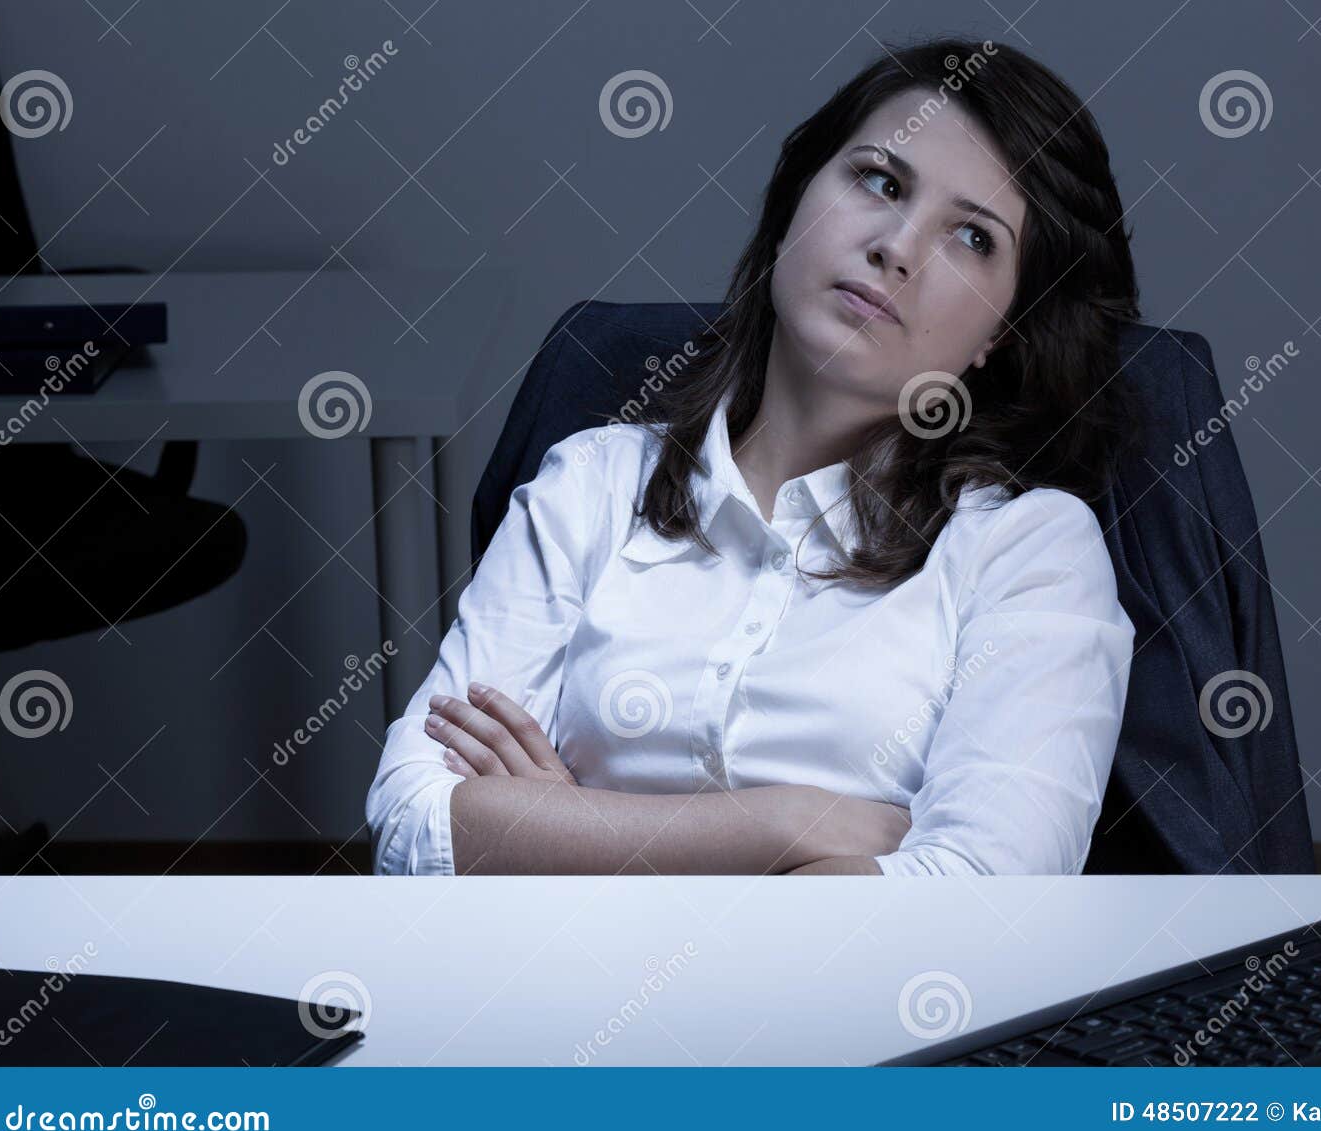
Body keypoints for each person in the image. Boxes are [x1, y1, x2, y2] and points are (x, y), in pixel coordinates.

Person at [366, 35, 1142, 876]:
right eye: (880, 182)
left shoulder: (1031, 553)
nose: (898, 248)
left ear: (1004, 329)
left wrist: (564, 831)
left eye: (973, 238)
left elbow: (984, 903)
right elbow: (415, 827)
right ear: (794, 200)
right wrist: (794, 824)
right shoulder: (593, 482)